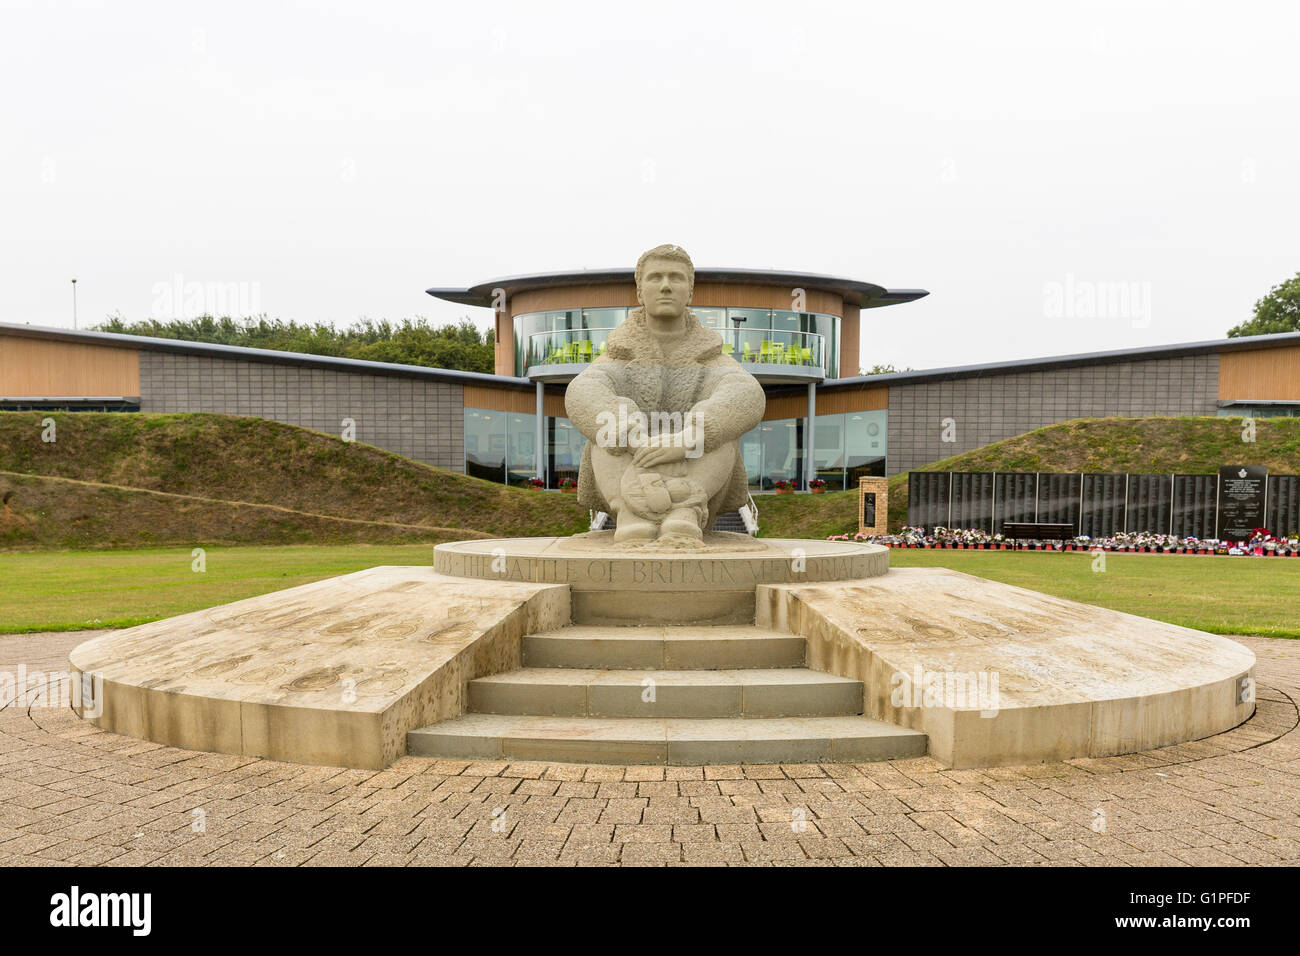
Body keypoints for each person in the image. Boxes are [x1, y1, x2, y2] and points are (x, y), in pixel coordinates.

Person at [565, 244, 766, 542]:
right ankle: (630, 512)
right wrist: (632, 435)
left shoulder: (709, 357)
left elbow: (746, 392)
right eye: (655, 278)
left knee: (720, 430)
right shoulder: (620, 355)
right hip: (631, 469)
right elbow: (584, 389)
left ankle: (686, 511)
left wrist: (689, 438)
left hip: (693, 474)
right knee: (606, 427)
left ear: (690, 291)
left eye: (676, 278)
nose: (666, 286)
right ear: (639, 292)